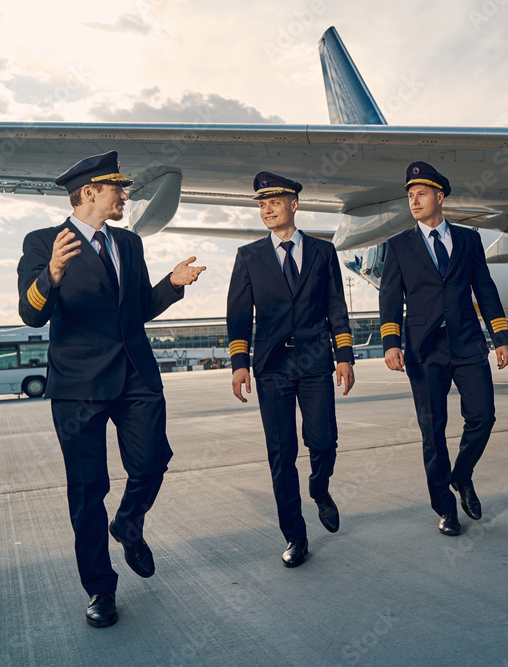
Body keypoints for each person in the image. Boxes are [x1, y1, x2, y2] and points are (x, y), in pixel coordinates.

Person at [17, 150, 204, 628]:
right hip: (79, 385)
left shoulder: (128, 242)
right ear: (88, 193)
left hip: (135, 375)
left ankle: (128, 522)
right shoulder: (43, 242)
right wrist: (52, 273)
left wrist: (172, 284)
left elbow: (138, 308)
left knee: (152, 460)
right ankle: (100, 589)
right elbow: (31, 313)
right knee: (87, 490)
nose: (126, 195)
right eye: (117, 188)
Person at [227, 171, 355, 567]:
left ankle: (319, 487)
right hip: (272, 366)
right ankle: (295, 536)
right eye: (262, 205)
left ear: (293, 206)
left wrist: (345, 356)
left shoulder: (322, 251)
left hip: (316, 359)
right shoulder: (249, 256)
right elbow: (237, 314)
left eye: (274, 203)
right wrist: (238, 364)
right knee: (281, 454)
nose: (267, 209)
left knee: (324, 441)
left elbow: (336, 306)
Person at [378, 161, 508, 536]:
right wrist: (391, 343)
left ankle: (462, 475)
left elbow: (484, 288)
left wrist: (500, 335)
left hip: (467, 341)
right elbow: (389, 299)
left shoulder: (469, 240)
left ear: (440, 196)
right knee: (432, 430)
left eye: (421, 194)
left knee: (483, 416)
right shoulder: (398, 245)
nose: (414, 201)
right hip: (424, 348)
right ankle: (445, 508)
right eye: (410, 196)